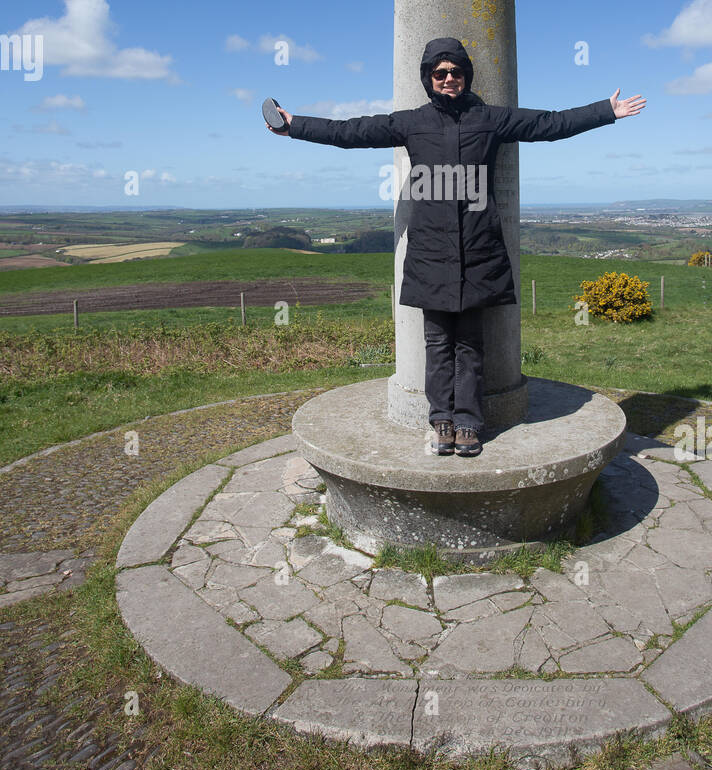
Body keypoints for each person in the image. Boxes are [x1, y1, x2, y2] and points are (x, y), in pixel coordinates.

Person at [267, 37, 646, 457]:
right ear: (429, 79)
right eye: (440, 73)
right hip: (431, 249)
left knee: (470, 342)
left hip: (479, 247)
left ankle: (468, 422)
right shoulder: (411, 122)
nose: (449, 79)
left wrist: (604, 112)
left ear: (467, 75)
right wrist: (294, 125)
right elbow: (351, 131)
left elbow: (548, 124)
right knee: (437, 342)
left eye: (456, 72)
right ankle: (441, 420)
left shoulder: (490, 119)